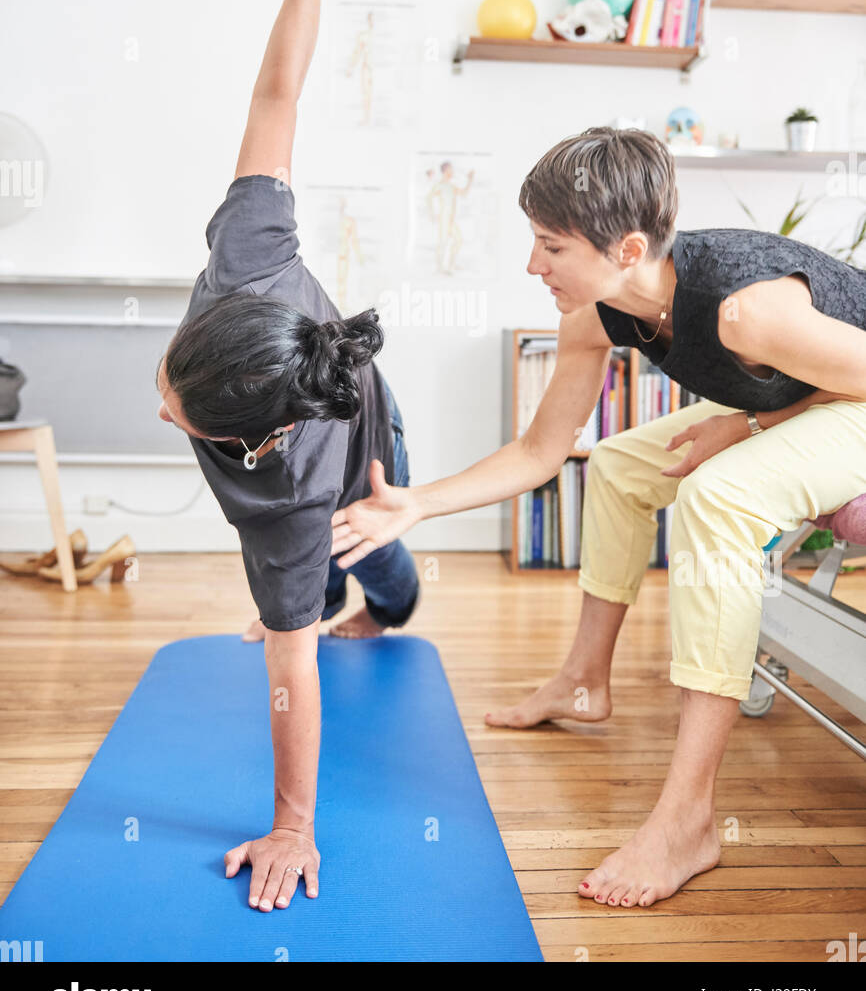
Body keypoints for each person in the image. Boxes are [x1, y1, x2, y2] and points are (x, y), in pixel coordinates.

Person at [331, 124, 866, 909]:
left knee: (716, 496)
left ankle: (688, 819)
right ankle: (583, 681)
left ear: (626, 249)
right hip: (799, 402)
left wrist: (738, 427)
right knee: (615, 465)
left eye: (552, 246)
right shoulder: (596, 312)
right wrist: (418, 504)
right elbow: (542, 451)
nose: (532, 264)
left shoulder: (746, 310)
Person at [155, 0, 420, 913]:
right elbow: (278, 90)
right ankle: (328, 598)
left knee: (364, 564)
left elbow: (288, 675)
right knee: (295, 604)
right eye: (172, 377)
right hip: (320, 387)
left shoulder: (286, 502)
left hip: (358, 448)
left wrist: (292, 827)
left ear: (244, 442)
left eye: (175, 410)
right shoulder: (248, 255)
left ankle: (389, 605)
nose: (158, 404)